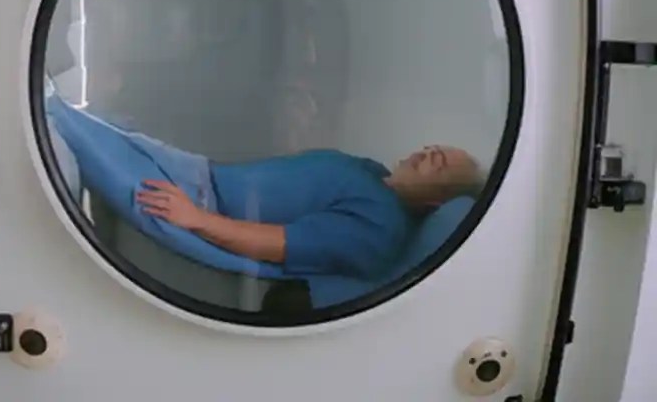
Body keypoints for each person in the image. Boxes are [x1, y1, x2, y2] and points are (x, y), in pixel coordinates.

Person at [44, 89, 483, 283]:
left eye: (437, 164)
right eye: (433, 148)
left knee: (54, 120)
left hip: (200, 204)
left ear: (435, 200)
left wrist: (196, 219)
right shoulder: (373, 176)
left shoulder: (380, 229)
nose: (427, 153)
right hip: (201, 173)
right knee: (83, 118)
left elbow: (279, 244)